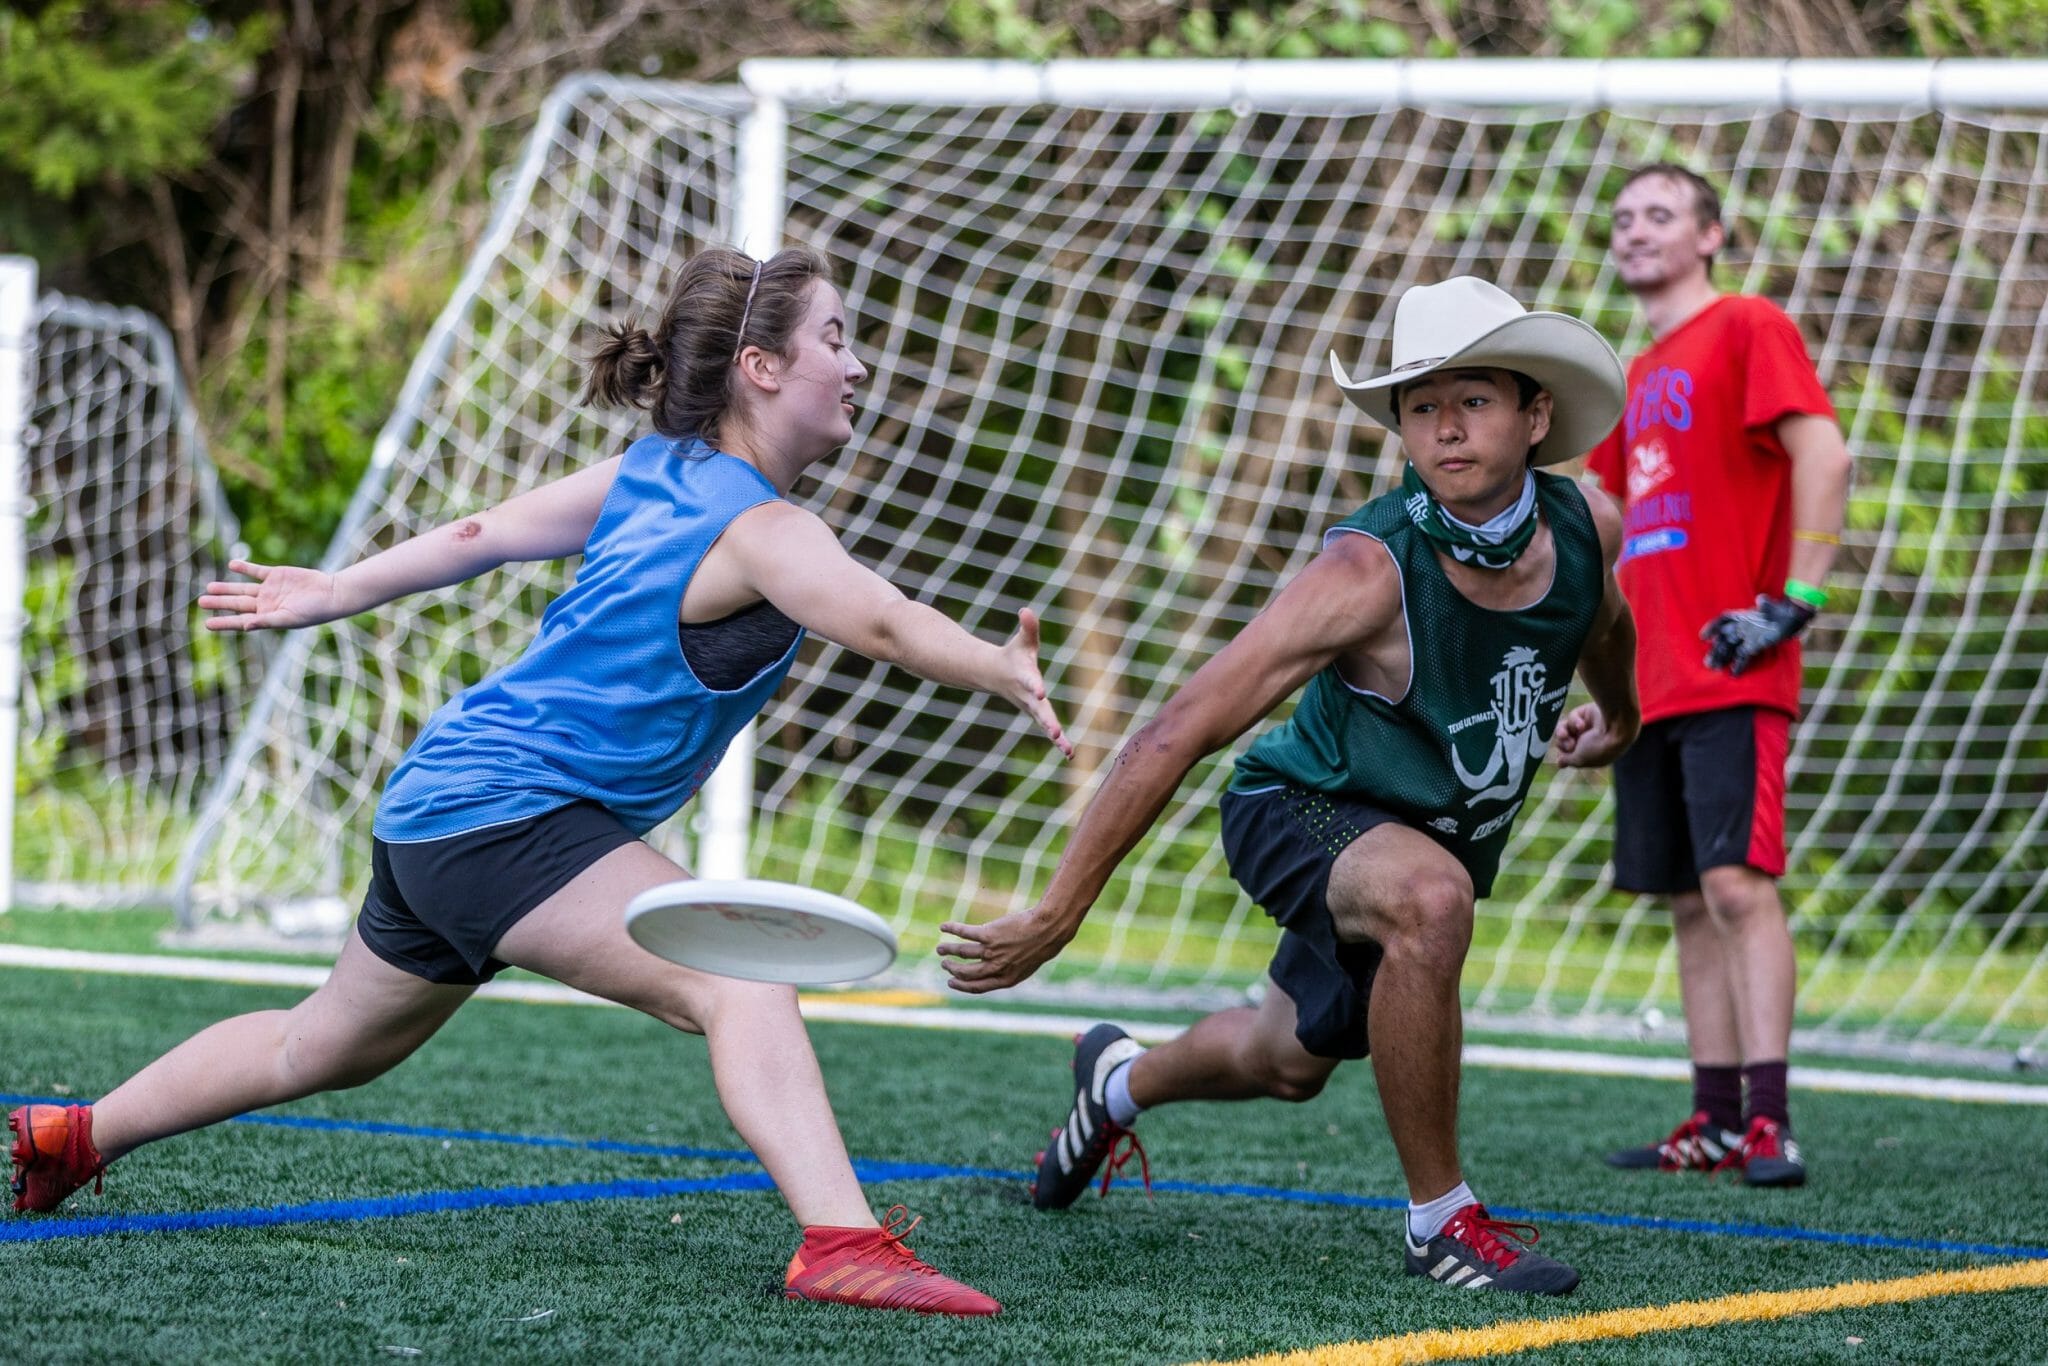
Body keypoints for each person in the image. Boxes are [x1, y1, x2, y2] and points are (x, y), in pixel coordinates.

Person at [7, 245, 1073, 1317]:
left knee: (315, 1045)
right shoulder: (767, 531)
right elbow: (882, 617)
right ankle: (841, 1243)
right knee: (741, 978)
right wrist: (994, 664)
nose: (856, 366)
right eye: (834, 340)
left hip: (444, 804)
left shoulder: (650, 470)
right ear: (757, 365)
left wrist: (339, 589)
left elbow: (483, 535)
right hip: (505, 813)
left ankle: (73, 1135)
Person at [938, 276, 1639, 1297]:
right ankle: (1440, 1222)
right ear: (1398, 431)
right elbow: (1175, 728)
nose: (1443, 426)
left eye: (1472, 399)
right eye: (1418, 405)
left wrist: (1617, 719)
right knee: (1429, 899)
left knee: (1285, 1062)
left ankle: (1116, 1082)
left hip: (1404, 828)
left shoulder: (1587, 527)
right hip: (1296, 806)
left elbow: (1601, 625)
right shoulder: (1363, 571)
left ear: (1535, 415)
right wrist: (1058, 908)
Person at [1586, 165, 1853, 1188]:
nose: (1634, 230)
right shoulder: (1629, 371)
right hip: (1649, 684)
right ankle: (1711, 1114)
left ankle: (1769, 1122)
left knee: (1737, 885)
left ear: (1709, 234)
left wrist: (1796, 597)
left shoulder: (1744, 324)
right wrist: (1596, 688)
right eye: (1620, 218)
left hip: (1733, 663)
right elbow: (1610, 535)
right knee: (1687, 898)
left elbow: (1821, 450)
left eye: (1658, 213)